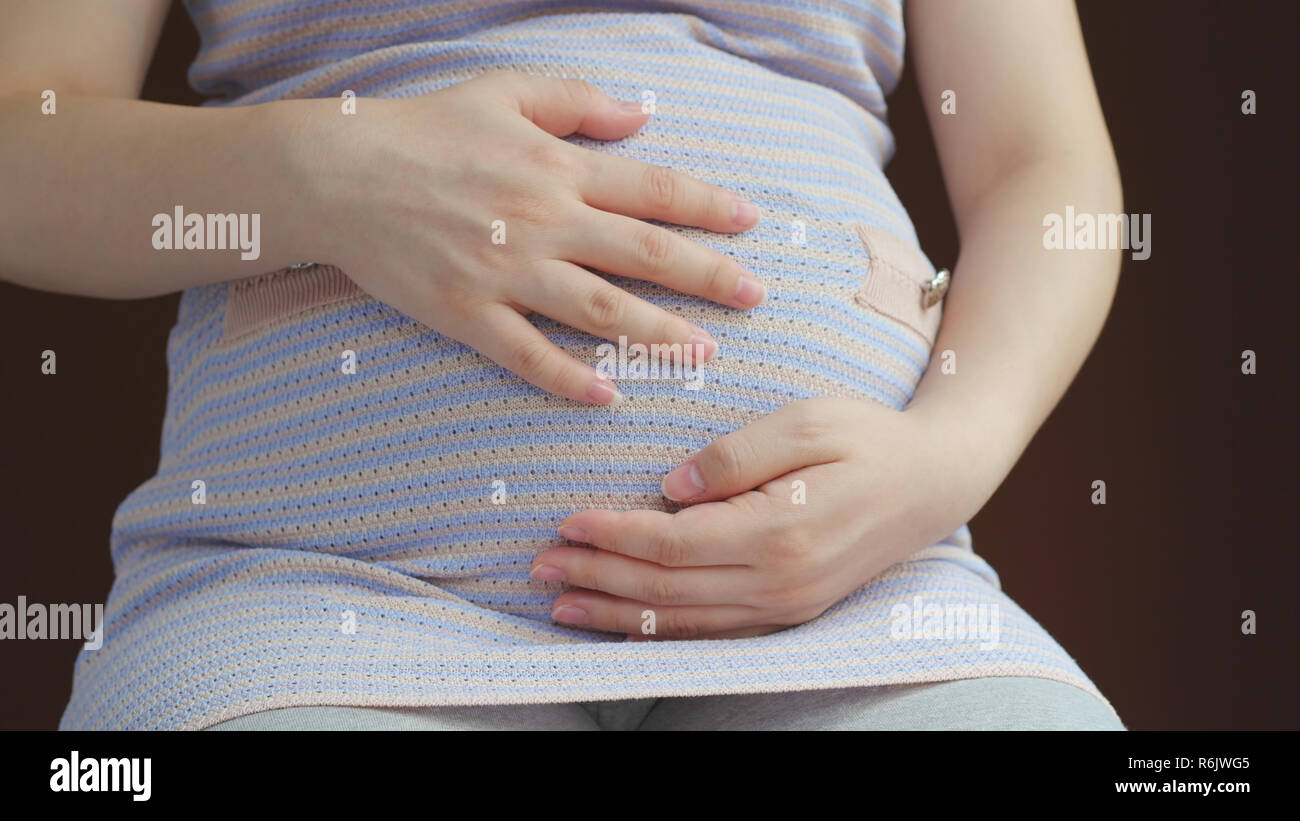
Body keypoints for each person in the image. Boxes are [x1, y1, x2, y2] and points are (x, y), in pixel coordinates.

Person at [1, 0, 1125, 730]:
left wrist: (948, 451)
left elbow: (1045, 163)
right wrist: (326, 171)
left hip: (863, 597)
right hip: (311, 596)